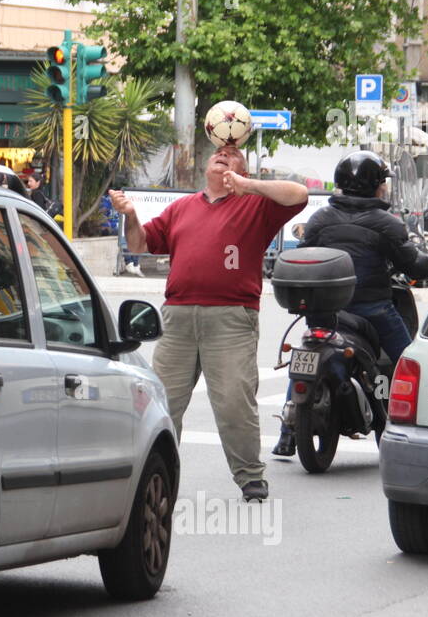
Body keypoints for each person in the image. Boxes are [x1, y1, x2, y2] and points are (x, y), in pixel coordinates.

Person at [109, 144, 308, 501]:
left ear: (241, 168)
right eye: (218, 151)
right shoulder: (183, 207)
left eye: (232, 155)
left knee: (234, 401)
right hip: (178, 318)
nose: (222, 155)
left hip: (231, 319)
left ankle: (250, 476)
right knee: (163, 404)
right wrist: (129, 215)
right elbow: (139, 243)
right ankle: (153, 478)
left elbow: (299, 195)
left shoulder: (255, 204)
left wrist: (250, 185)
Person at [271, 150, 428, 458]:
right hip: (372, 309)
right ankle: (408, 427)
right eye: (382, 183)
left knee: (305, 356)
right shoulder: (386, 224)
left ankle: (286, 434)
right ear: (376, 185)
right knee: (409, 363)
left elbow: (306, 254)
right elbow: (414, 265)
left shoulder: (320, 218)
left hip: (323, 311)